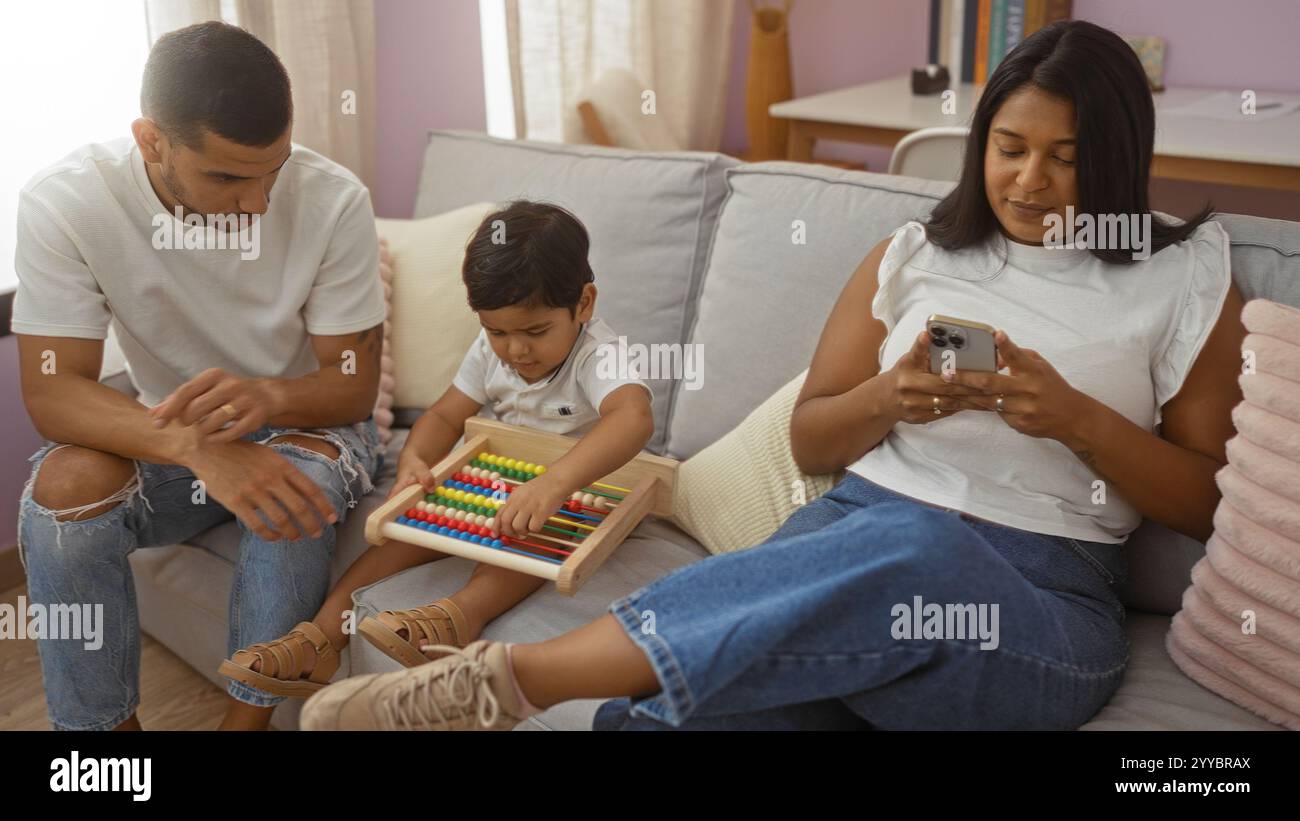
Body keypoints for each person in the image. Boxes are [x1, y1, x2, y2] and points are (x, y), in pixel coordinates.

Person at [303, 18, 1242, 730]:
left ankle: (508, 682)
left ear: (1116, 157)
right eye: (1010, 148)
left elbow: (1206, 503)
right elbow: (810, 438)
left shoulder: (1182, 276)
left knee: (925, 553)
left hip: (1041, 605)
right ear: (980, 143)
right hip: (845, 536)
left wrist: (1077, 419)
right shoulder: (912, 255)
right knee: (696, 713)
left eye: (1066, 159)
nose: (1030, 181)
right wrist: (887, 398)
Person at [13, 21, 386, 731]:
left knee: (291, 481)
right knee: (62, 489)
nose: (257, 205)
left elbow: (353, 386)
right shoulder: (66, 202)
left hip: (311, 425)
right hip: (172, 437)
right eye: (227, 177)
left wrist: (272, 393)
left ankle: (242, 729)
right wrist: (196, 448)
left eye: (272, 171)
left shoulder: (334, 200)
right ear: (151, 140)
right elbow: (53, 392)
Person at [219, 201, 654, 722]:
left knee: (527, 531)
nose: (515, 350)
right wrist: (417, 460)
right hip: (508, 477)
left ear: (583, 304)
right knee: (402, 528)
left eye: (535, 332)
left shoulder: (599, 354)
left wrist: (556, 483)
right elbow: (446, 416)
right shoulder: (491, 350)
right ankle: (318, 641)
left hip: (583, 491)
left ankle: (458, 618)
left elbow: (632, 418)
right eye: (497, 331)